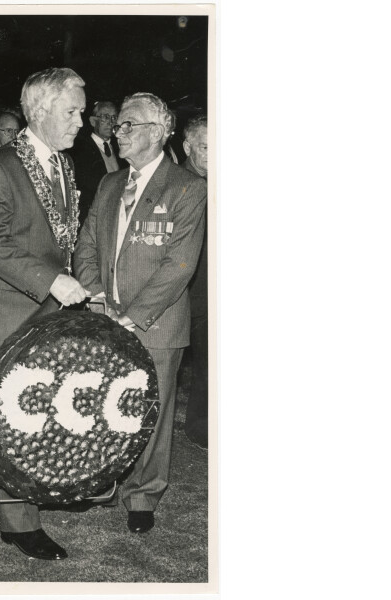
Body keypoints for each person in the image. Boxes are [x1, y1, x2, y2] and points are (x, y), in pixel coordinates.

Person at [0, 67, 88, 561]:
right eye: (71, 111)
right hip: (11, 312)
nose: (80, 121)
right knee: (18, 420)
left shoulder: (63, 163)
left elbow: (62, 237)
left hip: (51, 312)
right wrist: (50, 280)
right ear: (40, 110)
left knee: (38, 415)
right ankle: (19, 524)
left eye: (81, 111)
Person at [73, 92, 207, 535]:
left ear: (159, 132)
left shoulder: (188, 188)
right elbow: (86, 244)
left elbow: (179, 266)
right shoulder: (110, 183)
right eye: (118, 125)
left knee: (151, 411)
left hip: (156, 324)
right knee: (103, 405)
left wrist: (129, 316)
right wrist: (96, 296)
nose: (119, 132)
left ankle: (143, 495)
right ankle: (102, 480)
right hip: (104, 315)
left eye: (129, 125)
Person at [180, 115, 208, 448]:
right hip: (190, 292)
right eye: (206, 147)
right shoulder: (181, 183)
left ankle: (202, 426)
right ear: (188, 147)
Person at [67, 100, 129, 226]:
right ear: (93, 121)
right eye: (105, 117)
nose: (110, 122)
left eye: (114, 117)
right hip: (92, 220)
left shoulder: (122, 149)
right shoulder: (78, 150)